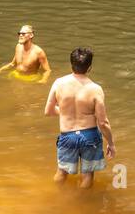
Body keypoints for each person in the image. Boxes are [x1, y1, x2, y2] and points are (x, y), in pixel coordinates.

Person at [43, 47, 115, 188]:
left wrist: (65, 112)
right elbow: (103, 122)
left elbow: (48, 111)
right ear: (89, 68)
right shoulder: (95, 89)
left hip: (67, 135)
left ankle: (57, 197)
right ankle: (82, 202)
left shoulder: (58, 83)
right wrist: (111, 143)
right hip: (89, 136)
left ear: (71, 64)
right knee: (87, 174)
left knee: (62, 172)